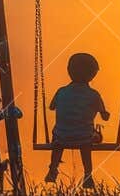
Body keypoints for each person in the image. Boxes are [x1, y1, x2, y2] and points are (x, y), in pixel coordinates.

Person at [44, 52, 110, 188]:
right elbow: (105, 117)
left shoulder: (61, 91)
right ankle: (88, 175)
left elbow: (51, 107)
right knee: (89, 141)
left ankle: (53, 168)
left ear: (69, 71)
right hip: (84, 137)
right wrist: (104, 113)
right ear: (92, 75)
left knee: (58, 141)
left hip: (62, 136)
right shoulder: (93, 95)